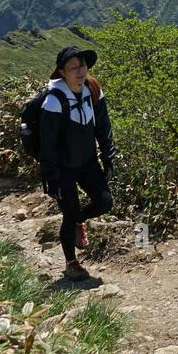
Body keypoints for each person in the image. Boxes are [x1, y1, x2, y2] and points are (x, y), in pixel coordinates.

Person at [39, 45, 116, 281]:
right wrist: (52, 180)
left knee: (104, 202)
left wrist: (107, 156)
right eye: (73, 67)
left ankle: (79, 221)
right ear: (62, 72)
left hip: (87, 161)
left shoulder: (93, 90)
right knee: (69, 212)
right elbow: (47, 145)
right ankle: (71, 262)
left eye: (82, 65)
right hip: (62, 168)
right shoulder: (54, 101)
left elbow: (103, 127)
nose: (80, 71)